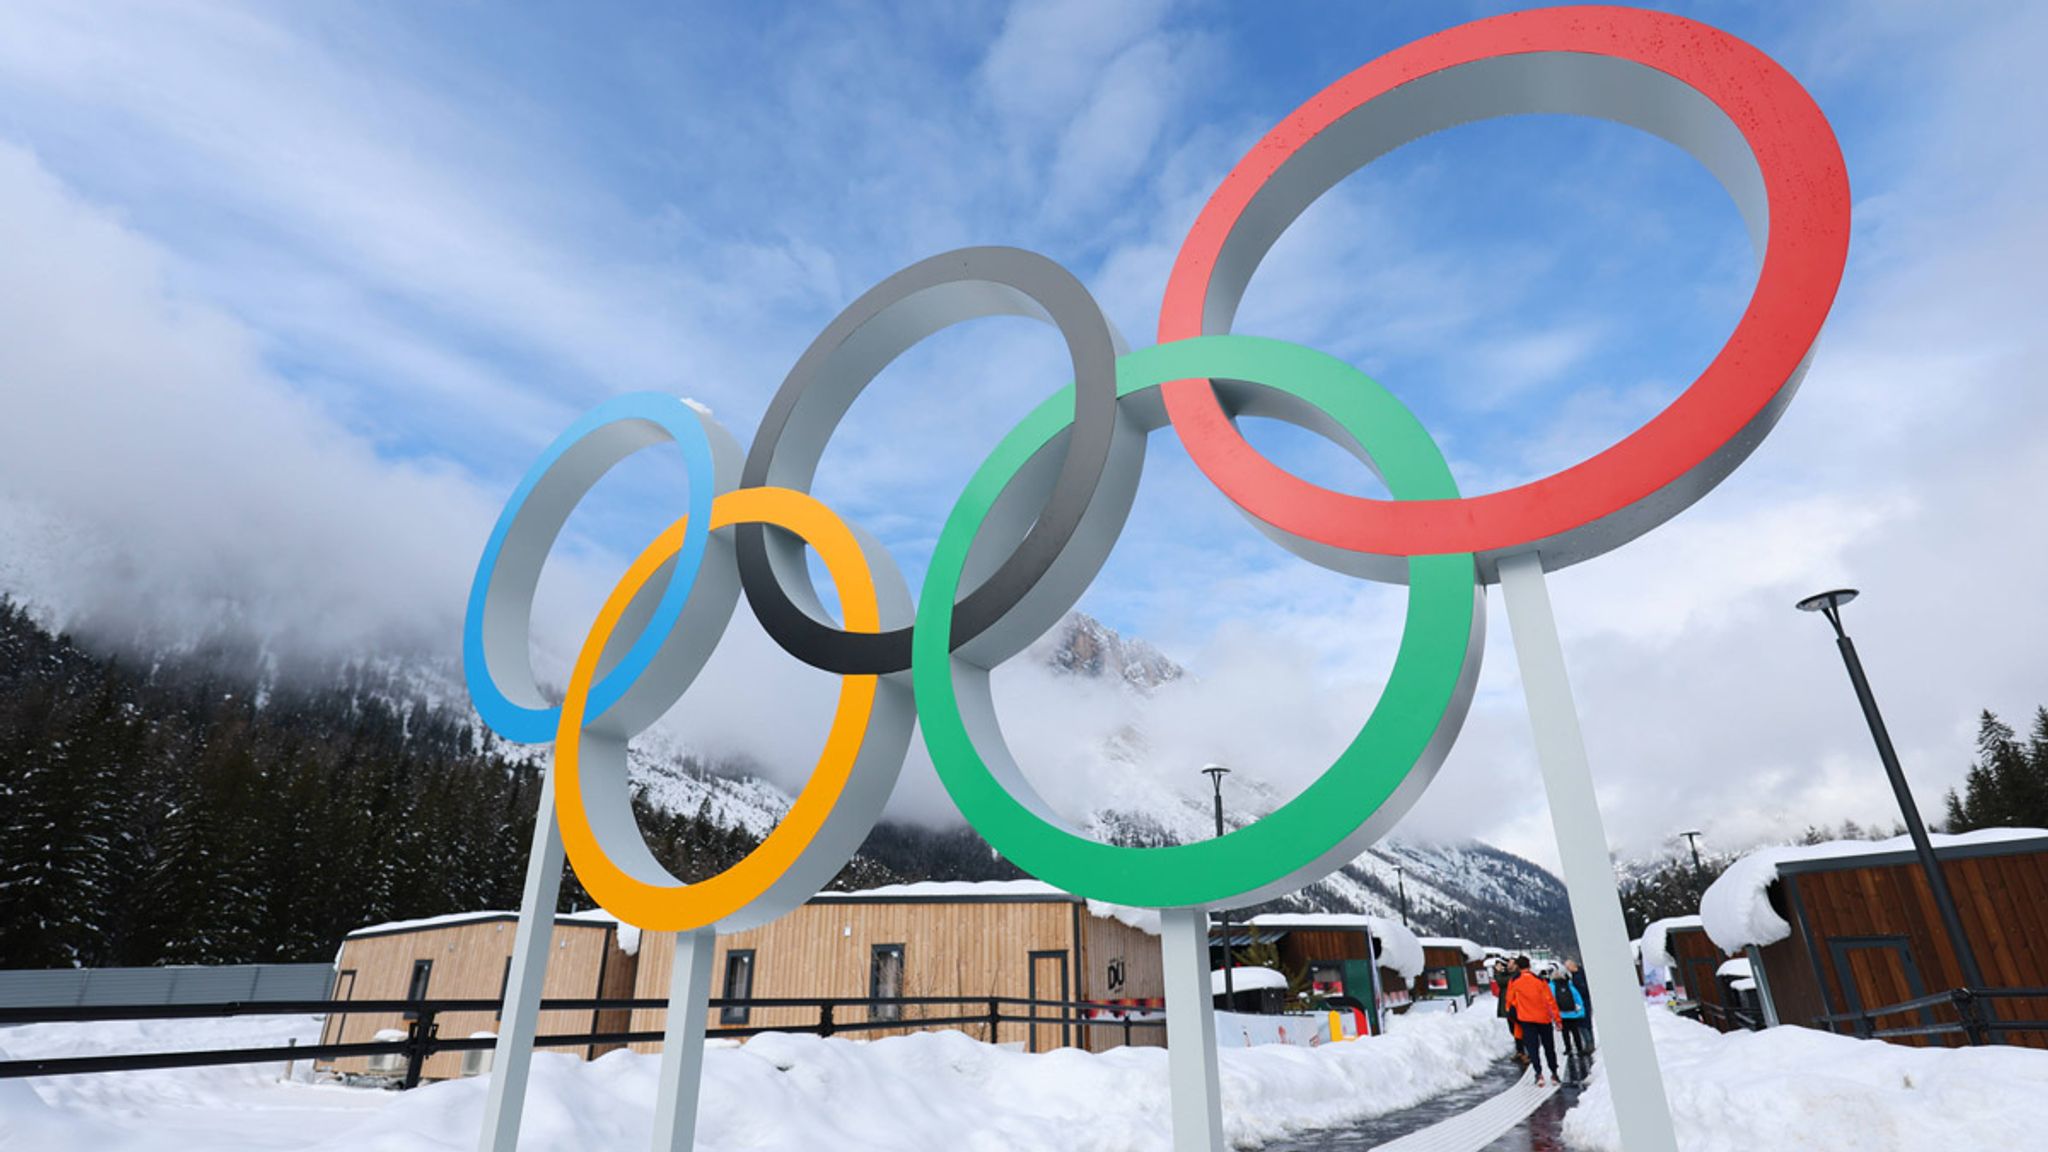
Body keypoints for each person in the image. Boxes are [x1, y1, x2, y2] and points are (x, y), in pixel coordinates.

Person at [1505, 956, 1561, 1086]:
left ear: (1517, 966)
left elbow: (1509, 1001)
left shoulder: (1514, 981)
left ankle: (1538, 1074)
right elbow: (1550, 1000)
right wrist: (1557, 1019)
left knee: (1532, 1047)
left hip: (1526, 1019)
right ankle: (1554, 1073)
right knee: (1549, 1047)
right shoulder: (1540, 980)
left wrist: (1516, 1012)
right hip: (1544, 1018)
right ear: (1529, 965)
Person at [1491, 960, 1524, 1062]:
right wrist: (1501, 971)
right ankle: (1520, 1051)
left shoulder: (1516, 975)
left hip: (1515, 1007)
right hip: (1509, 1007)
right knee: (1513, 1030)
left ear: (1516, 965)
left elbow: (1501, 982)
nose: (1507, 964)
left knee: (1519, 1031)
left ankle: (1525, 1053)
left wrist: (1498, 972)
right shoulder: (1509, 974)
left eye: (1510, 963)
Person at [1550, 967, 1587, 1059]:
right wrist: (1581, 1011)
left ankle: (1568, 1049)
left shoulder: (1551, 986)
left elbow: (1550, 1001)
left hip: (1561, 1014)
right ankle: (1580, 1048)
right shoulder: (1569, 985)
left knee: (1565, 1033)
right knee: (1575, 1032)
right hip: (1572, 1013)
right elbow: (1577, 997)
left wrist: (1552, 1015)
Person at [1567, 959, 1593, 1053]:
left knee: (1583, 1024)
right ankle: (1590, 1043)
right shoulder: (1580, 973)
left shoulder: (1578, 976)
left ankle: (1589, 1044)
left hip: (1582, 1002)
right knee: (1586, 1024)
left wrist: (1575, 996)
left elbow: (1583, 989)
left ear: (1573, 966)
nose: (1568, 969)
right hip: (1584, 1002)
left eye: (1568, 967)